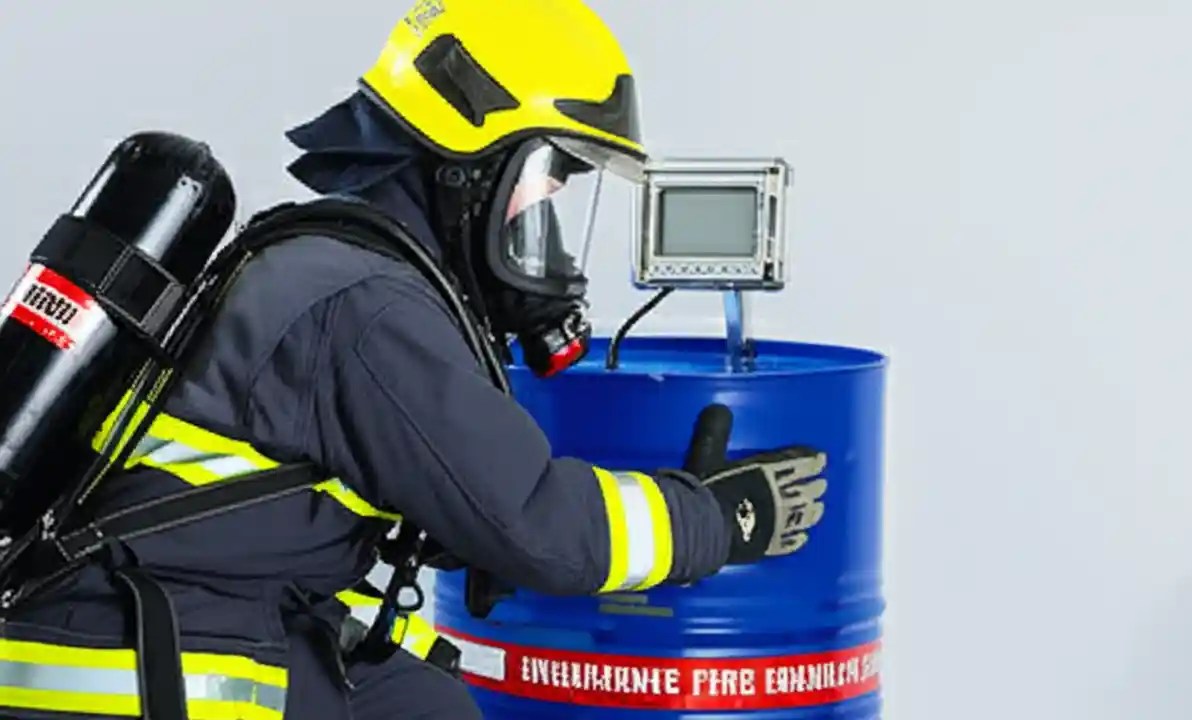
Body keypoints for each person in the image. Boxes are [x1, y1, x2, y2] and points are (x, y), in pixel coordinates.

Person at [0, 1, 828, 718]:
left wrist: (453, 534)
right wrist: (721, 519)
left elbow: (281, 509)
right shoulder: (370, 305)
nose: (546, 220)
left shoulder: (326, 261)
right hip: (130, 664)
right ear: (470, 169)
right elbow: (540, 528)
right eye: (545, 181)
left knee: (419, 697)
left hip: (162, 616)